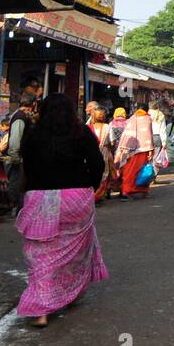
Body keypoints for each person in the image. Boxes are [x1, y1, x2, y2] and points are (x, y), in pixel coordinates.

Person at [15, 93, 108, 327]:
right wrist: (89, 188)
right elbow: (97, 164)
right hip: (76, 199)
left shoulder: (33, 135)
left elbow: (27, 166)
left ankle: (41, 310)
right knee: (76, 251)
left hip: (40, 198)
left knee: (41, 253)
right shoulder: (82, 133)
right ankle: (73, 293)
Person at [113, 103, 160, 200]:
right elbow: (149, 134)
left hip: (128, 150)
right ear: (147, 110)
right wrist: (151, 150)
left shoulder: (132, 118)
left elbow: (126, 135)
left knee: (129, 171)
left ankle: (126, 191)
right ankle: (142, 190)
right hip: (143, 149)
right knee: (143, 171)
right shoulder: (147, 119)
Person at [5, 92, 37, 212]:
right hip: (18, 158)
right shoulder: (20, 117)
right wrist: (15, 157)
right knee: (16, 185)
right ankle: (12, 208)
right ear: (33, 104)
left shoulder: (22, 116)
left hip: (22, 157)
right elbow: (15, 139)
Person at [86, 103, 116, 204]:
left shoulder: (88, 127)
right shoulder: (107, 127)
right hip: (104, 152)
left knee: (92, 172)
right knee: (104, 174)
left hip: (91, 153)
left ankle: (92, 195)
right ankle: (98, 196)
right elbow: (112, 142)